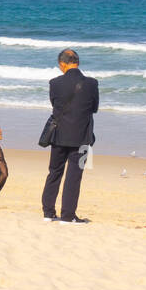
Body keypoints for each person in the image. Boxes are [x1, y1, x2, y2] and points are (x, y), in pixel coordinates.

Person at [41, 49, 100, 224]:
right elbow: (94, 108)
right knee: (75, 176)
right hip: (83, 138)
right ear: (78, 62)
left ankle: (48, 213)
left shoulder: (54, 83)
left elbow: (55, 104)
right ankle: (68, 215)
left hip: (58, 136)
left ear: (62, 64)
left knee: (54, 172)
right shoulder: (92, 83)